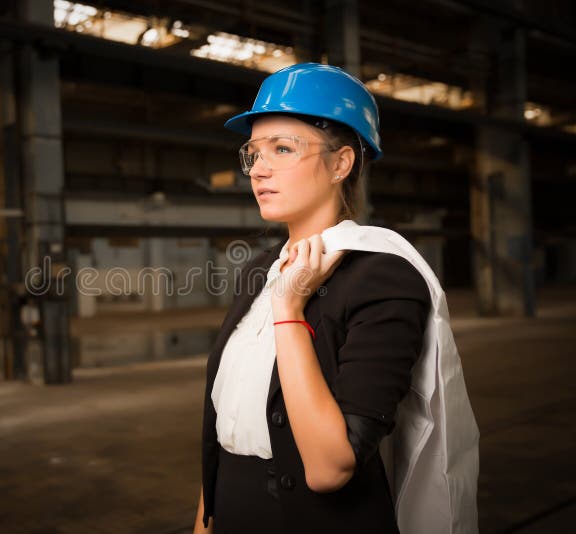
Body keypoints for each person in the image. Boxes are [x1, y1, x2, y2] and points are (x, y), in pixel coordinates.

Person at [193, 63, 479, 533]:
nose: (258, 170)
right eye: (253, 153)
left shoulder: (384, 276)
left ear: (342, 163)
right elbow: (224, 431)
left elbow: (330, 468)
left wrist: (289, 311)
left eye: (282, 149)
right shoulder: (258, 270)